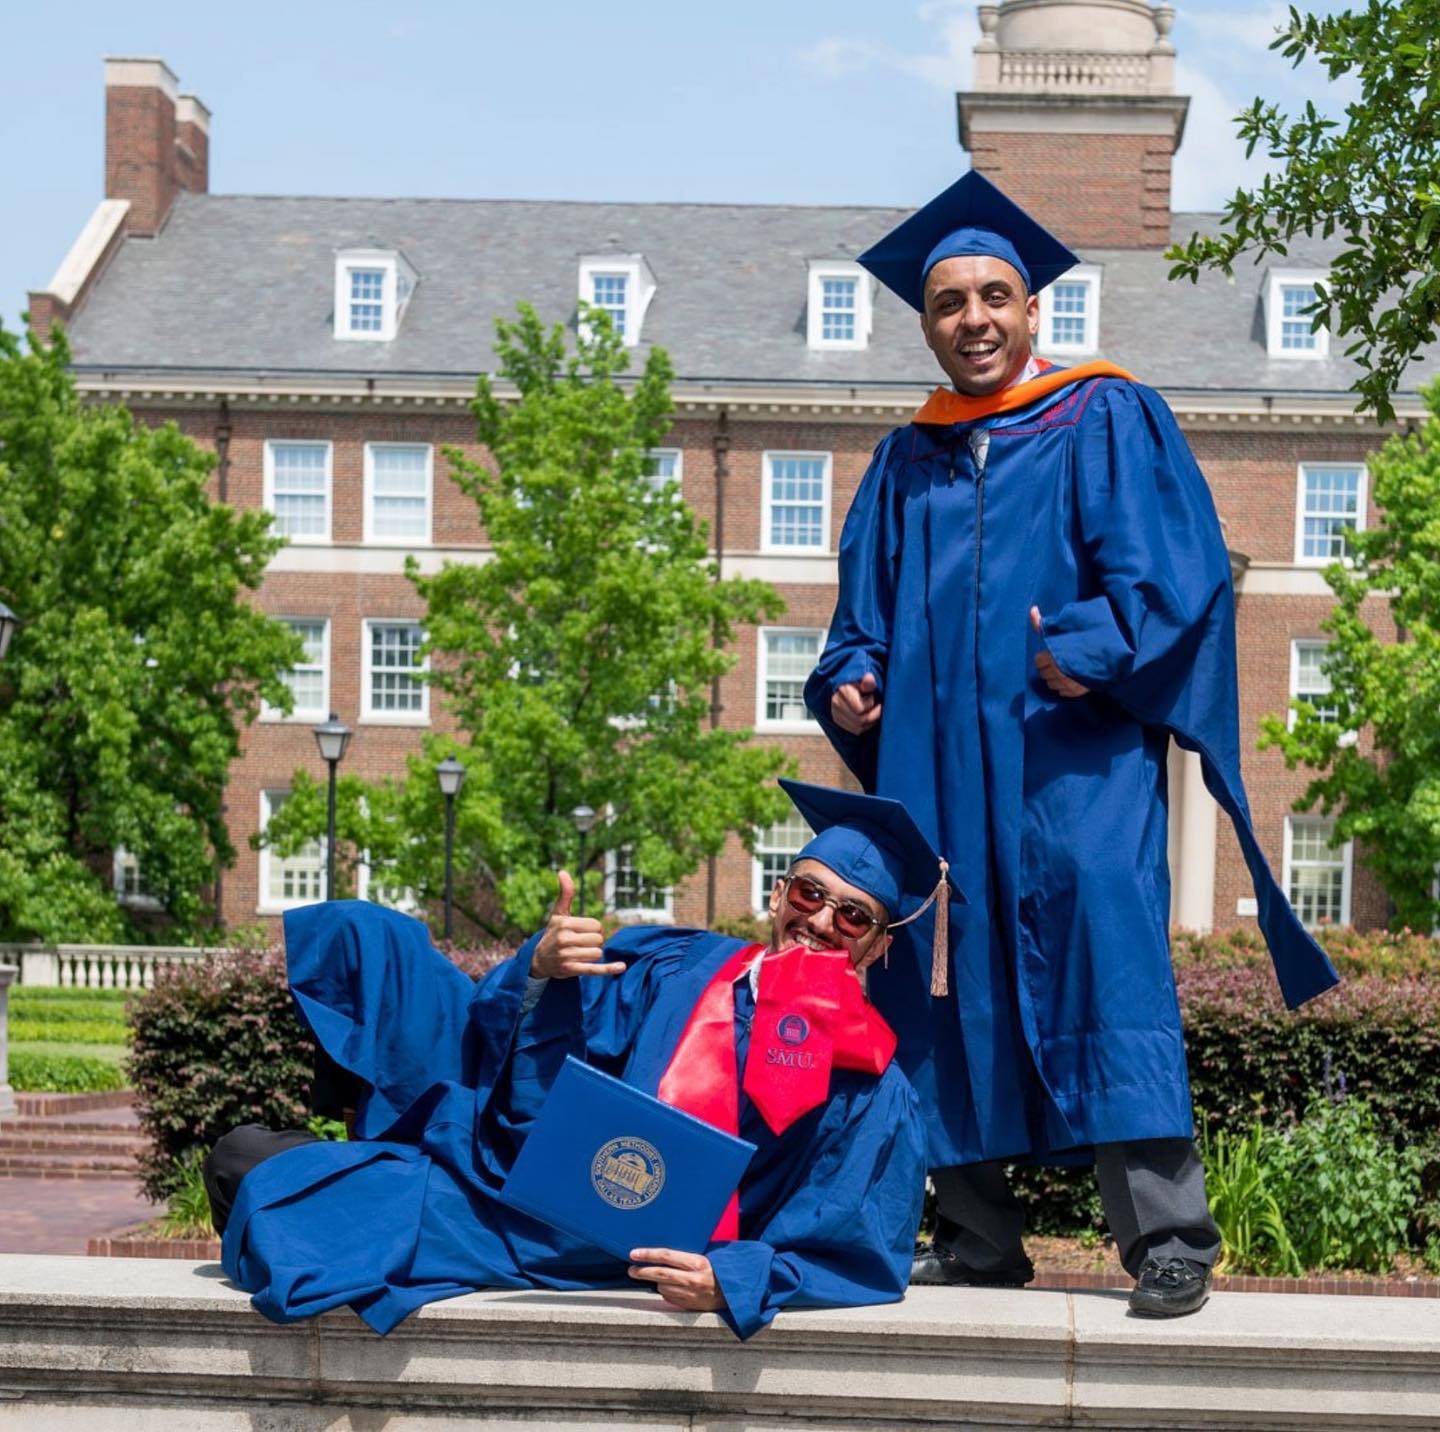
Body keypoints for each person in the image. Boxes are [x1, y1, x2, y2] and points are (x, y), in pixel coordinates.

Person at [803, 171, 1341, 1318]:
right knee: (939, 975)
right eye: (950, 303)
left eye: (995, 296)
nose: (975, 319)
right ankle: (976, 1236)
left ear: (1033, 308)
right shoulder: (905, 462)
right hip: (943, 770)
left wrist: (1089, 648)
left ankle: (1168, 1238)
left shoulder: (1103, 416)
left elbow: (1177, 574)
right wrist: (853, 681)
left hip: (1073, 764)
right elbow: (861, 622)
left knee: (1107, 955)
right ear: (927, 322)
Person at [205, 780, 938, 1341]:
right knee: (249, 1150)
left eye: (853, 916)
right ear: (778, 895)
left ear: (879, 945)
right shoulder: (680, 966)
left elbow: (861, 1248)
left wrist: (733, 1280)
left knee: (276, 1198)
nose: (820, 920)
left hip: (610, 1254)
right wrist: (543, 971)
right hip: (532, 1189)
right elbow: (548, 1070)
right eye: (810, 892)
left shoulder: (872, 1085)